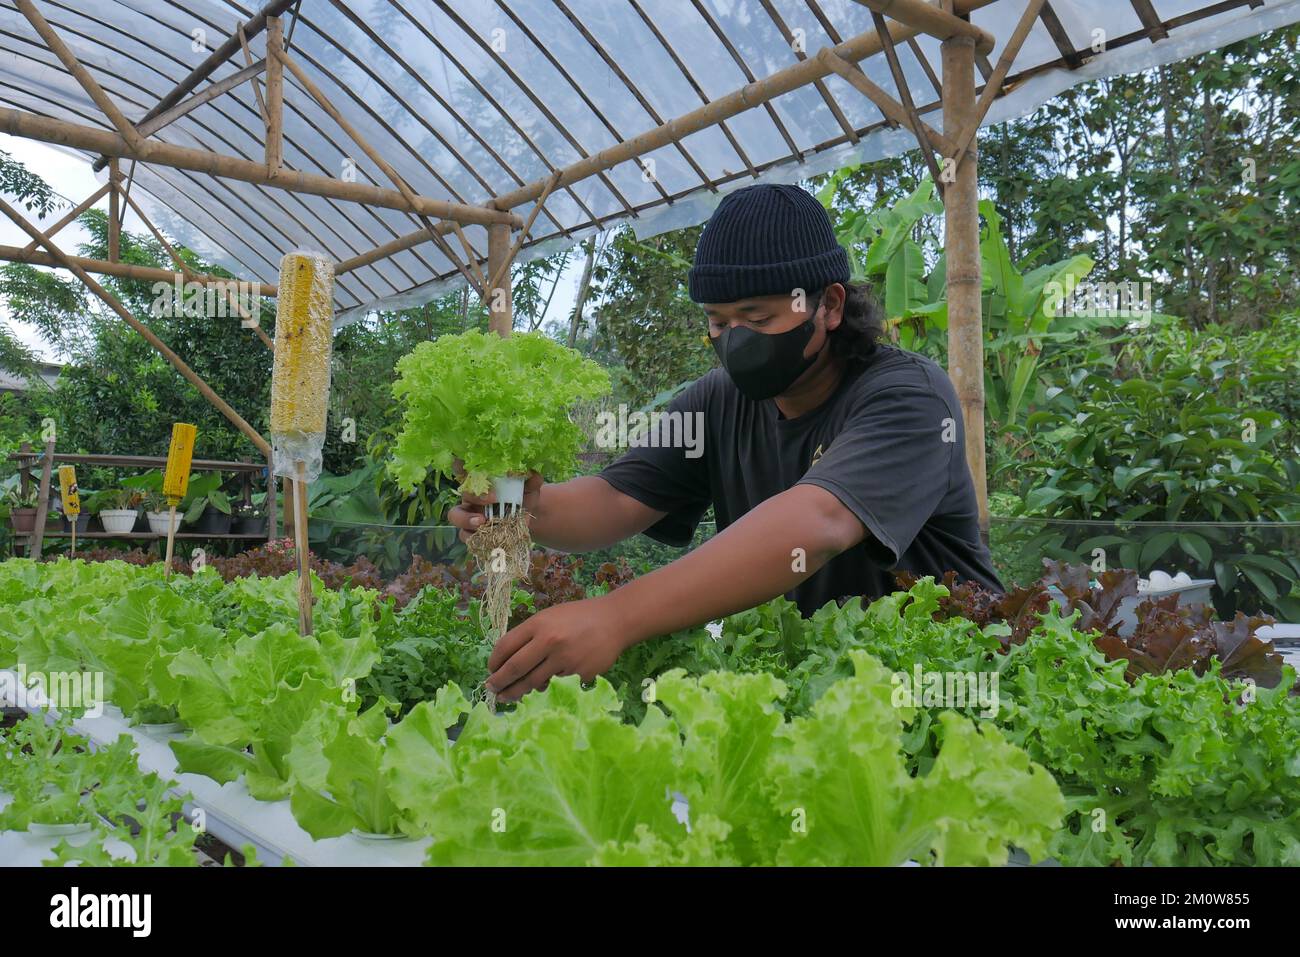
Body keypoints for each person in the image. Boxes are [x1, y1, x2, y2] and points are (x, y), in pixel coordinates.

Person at [450, 183, 1001, 702]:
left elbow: (820, 521)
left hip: (943, 684)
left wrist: (615, 616)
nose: (735, 339)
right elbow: (616, 499)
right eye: (718, 320)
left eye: (757, 317)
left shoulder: (908, 396)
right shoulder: (720, 400)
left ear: (829, 305)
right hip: (818, 682)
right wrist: (518, 505)